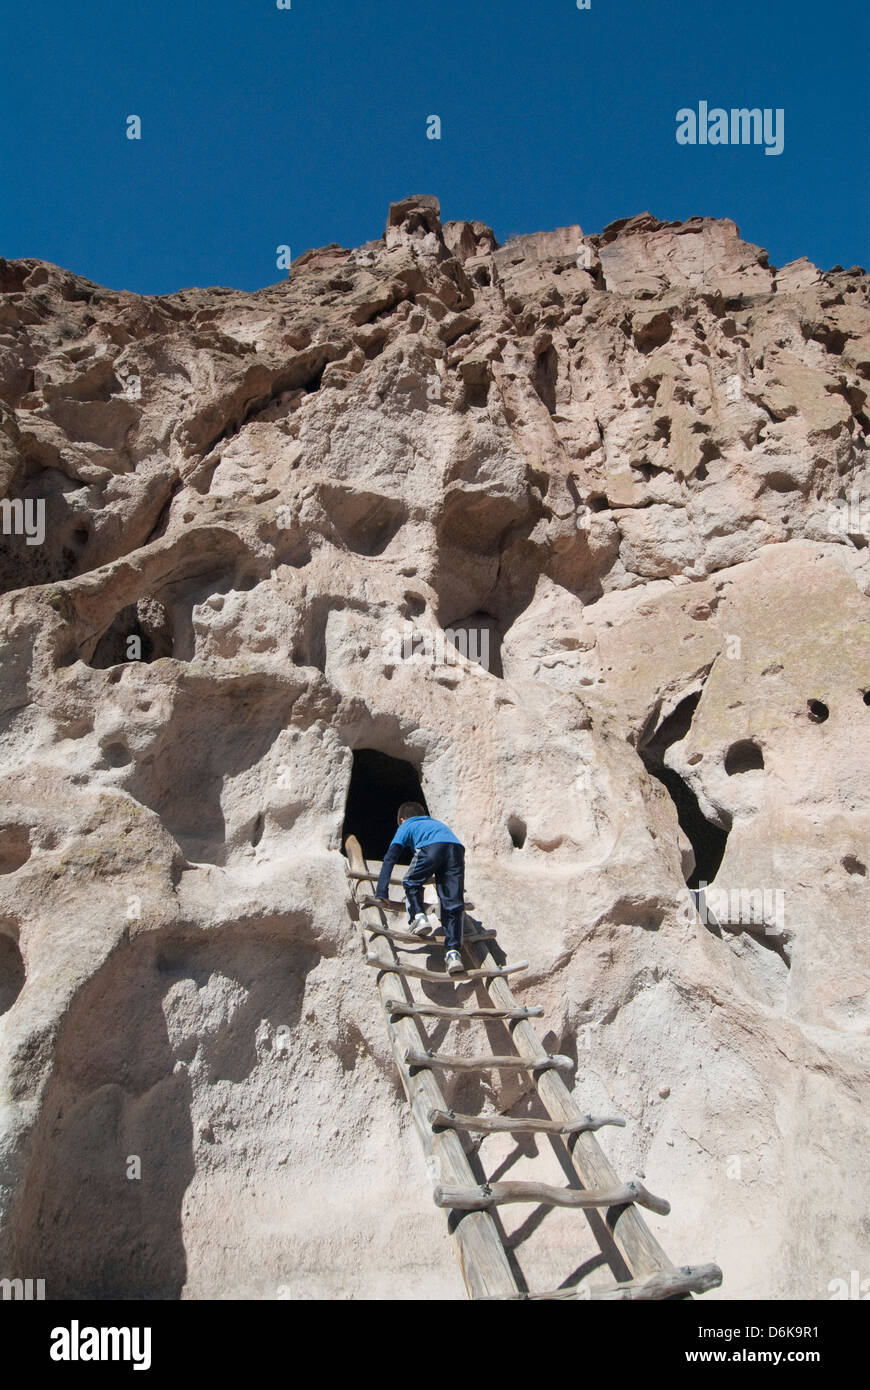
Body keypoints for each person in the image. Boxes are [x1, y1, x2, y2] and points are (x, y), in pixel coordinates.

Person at [375, 802, 466, 975]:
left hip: (432, 848)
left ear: (402, 819)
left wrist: (381, 893)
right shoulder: (436, 824)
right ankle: (453, 954)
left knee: (410, 880)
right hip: (456, 849)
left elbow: (390, 858)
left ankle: (419, 917)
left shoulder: (407, 825)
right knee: (452, 902)